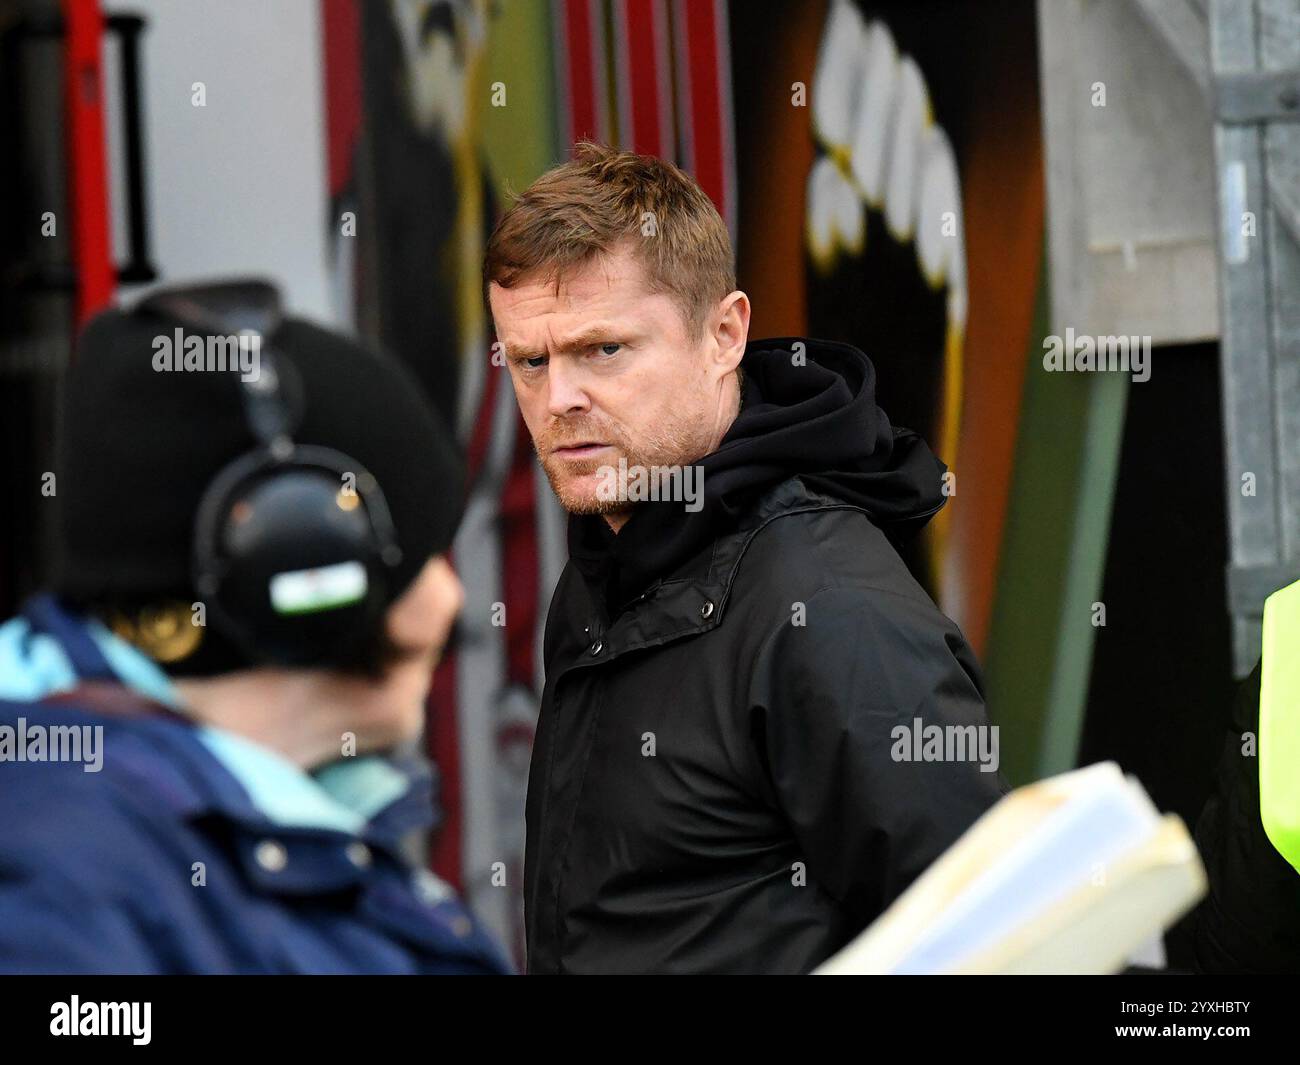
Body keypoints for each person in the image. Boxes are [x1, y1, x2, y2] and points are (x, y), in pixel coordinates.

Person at [485, 143, 1009, 974]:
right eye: (530, 360)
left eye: (604, 351)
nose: (559, 401)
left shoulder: (830, 608)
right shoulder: (606, 565)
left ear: (724, 334)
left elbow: (994, 941)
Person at [0, 280, 509, 974]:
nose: (450, 599)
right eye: (423, 556)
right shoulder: (65, 900)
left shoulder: (190, 843)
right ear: (295, 572)